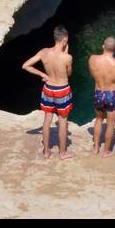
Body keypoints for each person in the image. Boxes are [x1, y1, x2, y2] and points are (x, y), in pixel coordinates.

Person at [23, 26, 75, 160]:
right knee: (63, 121)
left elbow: (26, 65)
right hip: (62, 90)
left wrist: (43, 74)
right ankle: (62, 153)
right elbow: (69, 74)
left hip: (48, 88)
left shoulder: (44, 52)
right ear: (64, 39)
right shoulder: (67, 57)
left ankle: (46, 151)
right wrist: (67, 53)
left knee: (47, 119)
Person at [89, 36, 115, 156]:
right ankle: (106, 151)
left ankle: (95, 148)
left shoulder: (92, 59)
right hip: (112, 94)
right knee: (110, 124)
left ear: (103, 46)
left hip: (98, 92)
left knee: (98, 119)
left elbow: (93, 74)